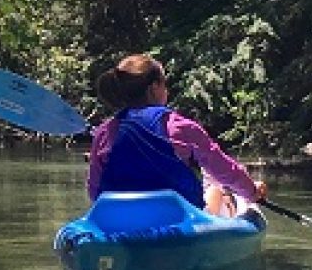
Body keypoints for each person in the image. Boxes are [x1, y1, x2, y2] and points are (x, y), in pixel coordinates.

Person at [86, 54, 267, 218]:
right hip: (179, 220)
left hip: (123, 221)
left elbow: (94, 192)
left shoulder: (103, 133)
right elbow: (224, 169)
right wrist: (252, 192)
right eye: (164, 84)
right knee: (215, 186)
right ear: (154, 87)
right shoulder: (180, 127)